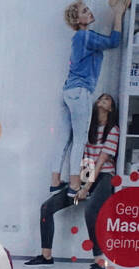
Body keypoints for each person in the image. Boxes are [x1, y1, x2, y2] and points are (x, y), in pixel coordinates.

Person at [28, 93, 121, 269]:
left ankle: (99, 262)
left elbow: (101, 161)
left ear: (110, 108)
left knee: (91, 211)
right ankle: (46, 257)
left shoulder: (113, 130)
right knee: (46, 208)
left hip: (104, 177)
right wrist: (79, 184)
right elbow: (86, 159)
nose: (101, 100)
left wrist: (86, 188)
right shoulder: (88, 131)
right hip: (88, 176)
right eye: (100, 98)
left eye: (106, 99)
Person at [49, 0, 130, 195]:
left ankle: (55, 180)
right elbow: (113, 42)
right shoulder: (86, 36)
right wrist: (118, 15)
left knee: (64, 139)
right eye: (85, 11)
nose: (89, 12)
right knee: (80, 139)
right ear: (78, 19)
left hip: (68, 91)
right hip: (80, 91)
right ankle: (75, 184)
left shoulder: (78, 38)